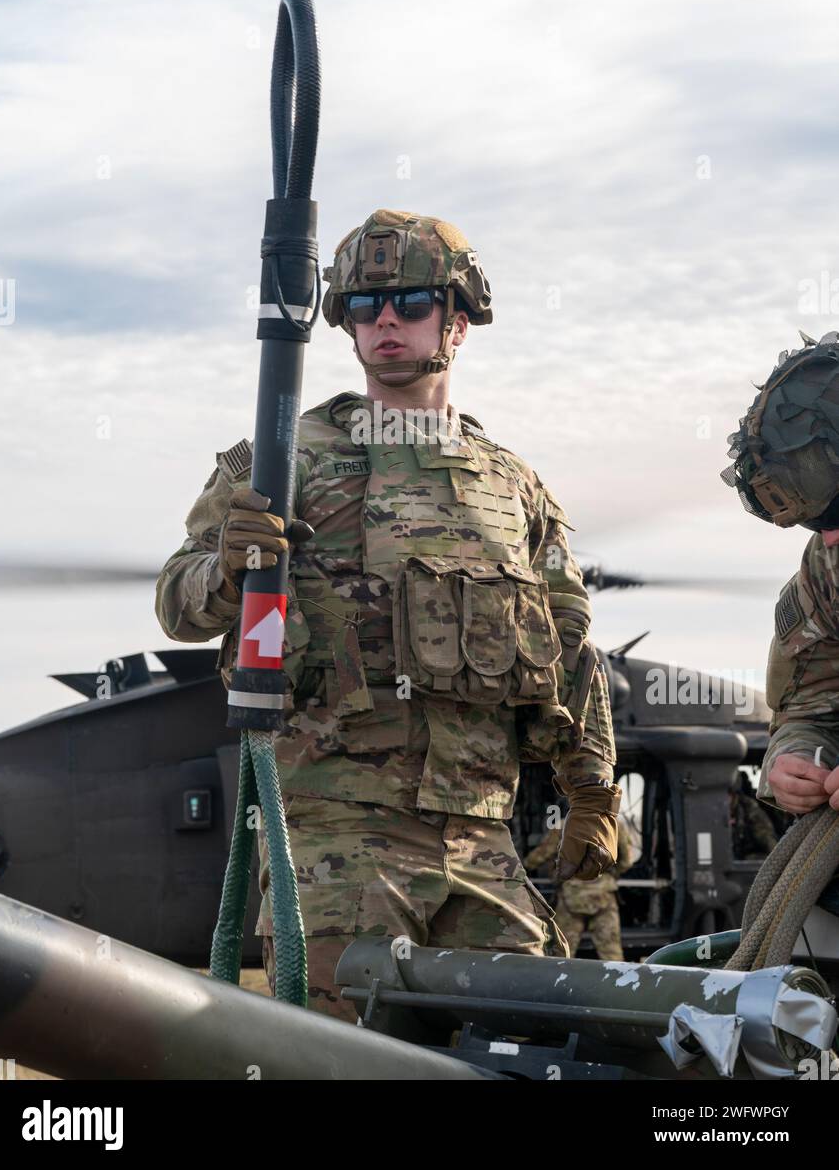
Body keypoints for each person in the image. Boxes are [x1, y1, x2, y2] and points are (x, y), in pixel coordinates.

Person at [156, 209, 620, 1021]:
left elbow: (569, 646)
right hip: (335, 835)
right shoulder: (279, 456)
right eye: (365, 307)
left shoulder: (511, 486)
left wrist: (591, 794)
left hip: (482, 836)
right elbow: (177, 605)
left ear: (459, 319)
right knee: (342, 1052)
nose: (386, 322)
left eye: (409, 300)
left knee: (525, 1040)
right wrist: (229, 565)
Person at [722, 331, 839, 818]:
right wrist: (798, 759)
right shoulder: (825, 567)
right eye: (818, 524)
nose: (830, 541)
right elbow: (809, 708)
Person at [523, 813, 634, 960]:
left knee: (562, 954)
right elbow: (627, 861)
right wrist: (610, 874)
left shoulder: (563, 824)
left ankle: (558, 983)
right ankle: (617, 982)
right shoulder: (614, 824)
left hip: (572, 896)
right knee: (612, 954)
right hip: (604, 896)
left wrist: (523, 866)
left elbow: (542, 854)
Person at [730, 772, 777, 858]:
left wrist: (776, 858)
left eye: (730, 794)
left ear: (735, 794)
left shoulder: (747, 807)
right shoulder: (710, 809)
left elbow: (765, 834)